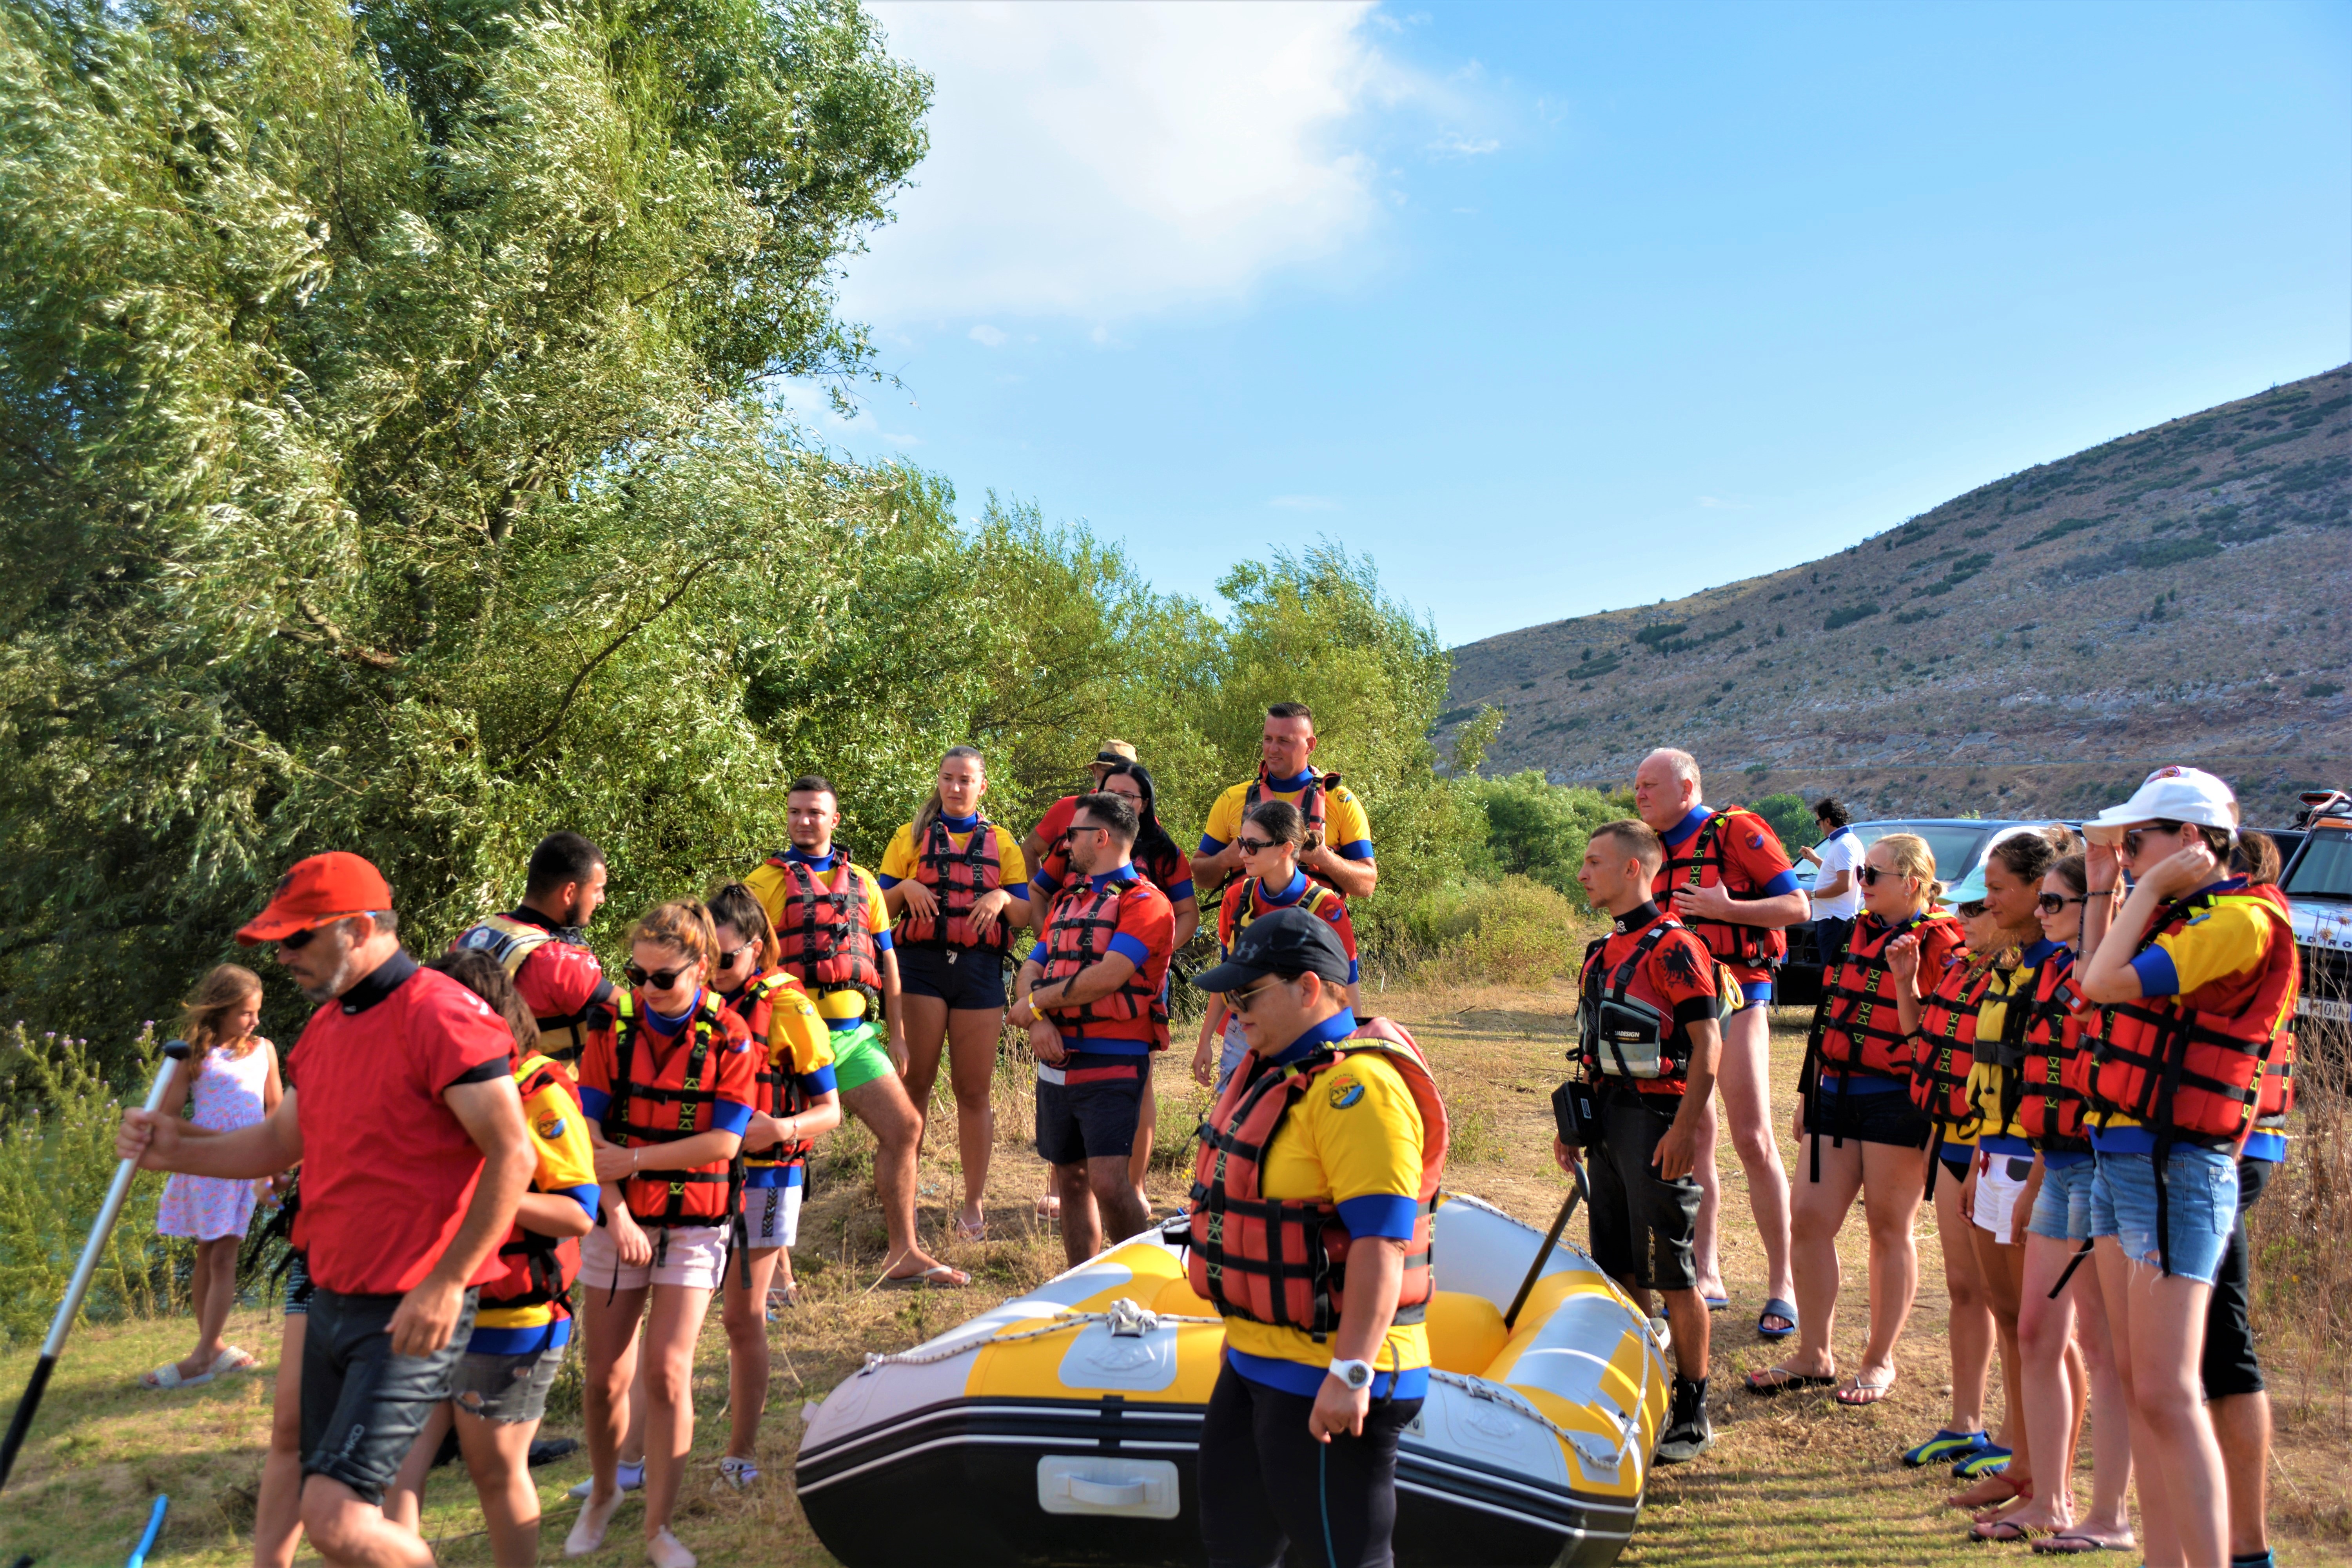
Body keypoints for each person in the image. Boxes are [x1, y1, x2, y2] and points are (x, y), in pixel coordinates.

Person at [116, 851, 534, 1568]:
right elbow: (279, 1143)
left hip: (410, 1305)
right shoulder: (328, 1027)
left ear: (361, 927)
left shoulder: (442, 1014)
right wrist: (171, 1148)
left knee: (335, 1519)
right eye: (277, 943)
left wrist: (446, 1281)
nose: (283, 958)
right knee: (336, 1512)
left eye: (298, 939)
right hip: (332, 1294)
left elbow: (513, 1155)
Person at [2075, 768, 2297, 1568]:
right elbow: (2088, 978)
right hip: (2128, 1158)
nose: (2127, 851)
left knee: (2171, 1391)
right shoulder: (2183, 913)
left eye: (2140, 840)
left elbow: (2102, 983)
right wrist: (2107, 886)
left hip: (2179, 1168)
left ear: (2192, 843)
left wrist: (2143, 888)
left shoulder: (2237, 921)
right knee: (2141, 1384)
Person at [1185, 909, 1445, 1568]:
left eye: (1249, 994)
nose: (1234, 1010)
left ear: (1308, 988)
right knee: (1234, 1547)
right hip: (1257, 1360)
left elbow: (1381, 1243)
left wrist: (1352, 1372)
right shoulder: (1278, 1070)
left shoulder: (1360, 1088)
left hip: (1331, 1370)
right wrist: (1243, 1336)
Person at [384, 951, 597, 1568]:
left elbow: (577, 1214)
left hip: (513, 1313)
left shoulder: (538, 1091)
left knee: (495, 1469)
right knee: (397, 1466)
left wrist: (495, 1196)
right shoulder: (432, 1087)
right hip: (429, 1303)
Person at [570, 901, 758, 1568]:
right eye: (637, 975)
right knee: (602, 1379)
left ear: (702, 969)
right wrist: (617, 1210)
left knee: (668, 1375)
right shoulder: (609, 1028)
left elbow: (726, 1141)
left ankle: (658, 1531)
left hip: (695, 1223)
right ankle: (604, 1496)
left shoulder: (733, 1038)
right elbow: (590, 1136)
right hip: (617, 1219)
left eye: (663, 978)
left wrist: (640, 1161)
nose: (647, 991)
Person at [1750, 834, 1959, 1406]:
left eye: (1874, 874)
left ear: (1912, 882)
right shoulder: (1858, 931)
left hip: (1899, 1097)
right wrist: (1805, 1093)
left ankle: (1878, 1360)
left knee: (1889, 1228)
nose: (1861, 883)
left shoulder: (1943, 942)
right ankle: (1814, 1354)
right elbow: (1829, 1016)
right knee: (1810, 1219)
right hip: (1836, 1094)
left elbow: (1946, 1034)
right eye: (1863, 873)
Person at [747, 775, 966, 1288]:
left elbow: (888, 959)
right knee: (780, 1152)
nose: (804, 820)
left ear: (834, 819)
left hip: (852, 1036)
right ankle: (774, 1276)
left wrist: (898, 1034)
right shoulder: (763, 883)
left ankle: (904, 1251)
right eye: (796, 811)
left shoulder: (864, 882)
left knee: (905, 1128)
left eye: (815, 812)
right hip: (790, 1039)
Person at [1978, 853, 2134, 1550]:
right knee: (2040, 1333)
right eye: (2039, 903)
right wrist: (2036, 1178)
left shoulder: (2122, 976)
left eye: (2055, 904)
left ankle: (2113, 1514)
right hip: (2060, 1167)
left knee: (2105, 1349)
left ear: (2097, 903)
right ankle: (2050, 1497)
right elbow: (2051, 1087)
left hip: (2109, 1173)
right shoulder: (2050, 974)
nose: (2040, 916)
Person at [1553, 819, 1720, 1461]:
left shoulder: (1676, 948)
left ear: (1633, 870)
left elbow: (1710, 1045)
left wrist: (1684, 1130)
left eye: (1594, 861)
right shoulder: (1601, 951)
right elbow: (1594, 1046)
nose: (1582, 872)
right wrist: (1577, 1128)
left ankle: (1693, 1407)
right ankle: (1637, 1390)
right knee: (1619, 1270)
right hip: (1609, 1122)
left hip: (1656, 1124)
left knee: (1672, 1272)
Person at [1632, 747, 1805, 1336]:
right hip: (1680, 1007)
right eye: (1637, 786)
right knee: (1695, 1137)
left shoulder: (1737, 831)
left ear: (1687, 786)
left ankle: (1784, 1284)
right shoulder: (1648, 850)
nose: (1640, 794)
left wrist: (1726, 907)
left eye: (1651, 785)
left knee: (1753, 1137)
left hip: (1740, 999)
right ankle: (1707, 1272)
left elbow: (1797, 906)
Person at [1948, 824, 2076, 1524]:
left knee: (2046, 1329)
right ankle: (2021, 1465)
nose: (1988, 901)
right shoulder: (2011, 962)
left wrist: (2027, 1176)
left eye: (1999, 890)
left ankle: (2051, 1485)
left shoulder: (2056, 966)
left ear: (2039, 891)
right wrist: (1978, 1159)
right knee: (2009, 1316)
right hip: (1994, 1150)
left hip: (2037, 1158)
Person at [708, 881, 840, 1488]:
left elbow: (830, 1111)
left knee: (742, 1317)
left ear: (756, 949)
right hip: (701, 1175)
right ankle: (634, 1458)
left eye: (726, 958)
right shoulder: (691, 1001)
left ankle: (740, 1453)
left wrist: (780, 1128)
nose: (713, 970)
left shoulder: (789, 1006)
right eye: (703, 958)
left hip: (769, 1176)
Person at [1008, 790, 1176, 1268]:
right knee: (1071, 1178)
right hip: (1056, 1058)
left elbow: (1110, 975)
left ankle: (1138, 1278)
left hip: (1112, 1057)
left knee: (1108, 1181)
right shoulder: (1067, 900)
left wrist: (1036, 1002)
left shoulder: (1147, 903)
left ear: (1101, 838)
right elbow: (1033, 964)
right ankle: (1081, 1281)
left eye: (1073, 835)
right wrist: (1037, 1018)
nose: (1065, 845)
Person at [1029, 760, 1198, 1207]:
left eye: (1130, 795)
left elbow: (1185, 916)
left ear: (1144, 803)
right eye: (1112, 790)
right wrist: (1040, 997)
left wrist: (1150, 952)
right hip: (1061, 986)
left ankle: (1133, 1186)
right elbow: (1040, 902)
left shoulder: (1162, 857)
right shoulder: (1071, 882)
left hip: (1128, 986)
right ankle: (1062, 1189)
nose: (1120, 800)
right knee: (1072, 1162)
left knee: (1136, 1096)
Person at [877, 746, 1027, 1240]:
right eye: (948, 778)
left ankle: (973, 1205)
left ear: (982, 786)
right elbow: (876, 906)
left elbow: (1027, 916)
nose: (955, 787)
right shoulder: (912, 835)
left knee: (973, 1090)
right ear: (938, 781)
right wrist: (906, 888)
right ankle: (907, 1196)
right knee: (914, 1083)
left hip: (979, 971)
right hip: (921, 969)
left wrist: (1002, 895)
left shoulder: (1002, 842)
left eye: (966, 780)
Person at [1896, 898, 2005, 1477]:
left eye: (1983, 907)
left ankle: (2018, 1436)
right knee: (1965, 1289)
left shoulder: (2026, 976)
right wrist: (1905, 983)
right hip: (1952, 1141)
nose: (1968, 919)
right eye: (1966, 906)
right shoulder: (1962, 966)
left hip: (2000, 1148)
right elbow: (1922, 1042)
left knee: (2010, 1302)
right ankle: (1966, 1423)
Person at [143, 964, 278, 1390]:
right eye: (245, 1013)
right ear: (220, 1010)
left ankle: (203, 1356)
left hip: (245, 1166)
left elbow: (276, 1108)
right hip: (208, 1165)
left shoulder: (264, 1050)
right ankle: (213, 1347)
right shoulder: (193, 1054)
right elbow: (168, 1117)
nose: (254, 1021)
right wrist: (220, 1138)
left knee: (223, 1256)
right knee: (207, 1254)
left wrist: (273, 1161)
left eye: (257, 1012)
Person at [1192, 799, 1359, 1094]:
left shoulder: (1327, 907)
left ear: (1285, 848)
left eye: (1253, 845)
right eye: (1242, 842)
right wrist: (1205, 1041)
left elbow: (1348, 985)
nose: (1242, 853)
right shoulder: (1236, 898)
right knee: (1235, 1125)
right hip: (1244, 1029)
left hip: (1303, 1032)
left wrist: (1353, 1050)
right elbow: (1227, 974)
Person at [451, 830, 616, 1065]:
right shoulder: (560, 963)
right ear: (570, 893)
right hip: (552, 1097)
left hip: (481, 1084)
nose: (602, 899)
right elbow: (642, 1013)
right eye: (597, 889)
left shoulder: (474, 936)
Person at [1192, 702, 1377, 900]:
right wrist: (1225, 859)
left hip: (1314, 928)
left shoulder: (1341, 801)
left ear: (1310, 745)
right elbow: (1201, 878)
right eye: (1268, 739)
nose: (1273, 749)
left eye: (1284, 741)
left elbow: (1366, 885)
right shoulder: (1232, 798)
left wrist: (1323, 858)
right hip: (1250, 927)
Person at [1019, 739, 1137, 895]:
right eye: (1104, 769)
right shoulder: (1067, 807)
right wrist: (1038, 907)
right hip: (1065, 912)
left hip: (1125, 912)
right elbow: (1030, 850)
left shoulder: (1143, 820)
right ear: (1094, 772)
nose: (1111, 777)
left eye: (1118, 772)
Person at [1798, 797, 1863, 969]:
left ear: (1828, 821)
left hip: (1835, 919)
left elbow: (1844, 885)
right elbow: (1835, 874)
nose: (1819, 827)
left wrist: (1812, 895)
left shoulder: (1844, 844)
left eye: (1818, 822)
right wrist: (1815, 860)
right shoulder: (1844, 842)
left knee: (1833, 972)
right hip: (1831, 918)